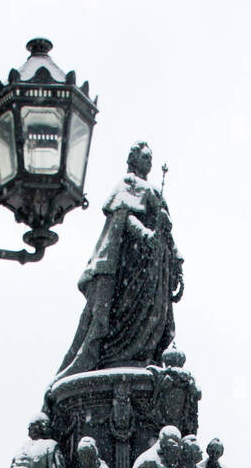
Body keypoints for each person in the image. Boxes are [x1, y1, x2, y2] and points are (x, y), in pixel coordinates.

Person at [55, 142, 184, 378]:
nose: (149, 162)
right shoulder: (129, 184)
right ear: (133, 160)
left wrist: (177, 261)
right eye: (145, 158)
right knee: (129, 312)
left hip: (157, 265)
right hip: (136, 263)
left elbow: (167, 231)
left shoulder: (154, 189)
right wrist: (145, 235)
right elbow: (124, 216)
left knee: (154, 314)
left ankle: (143, 354)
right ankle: (120, 354)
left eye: (150, 158)